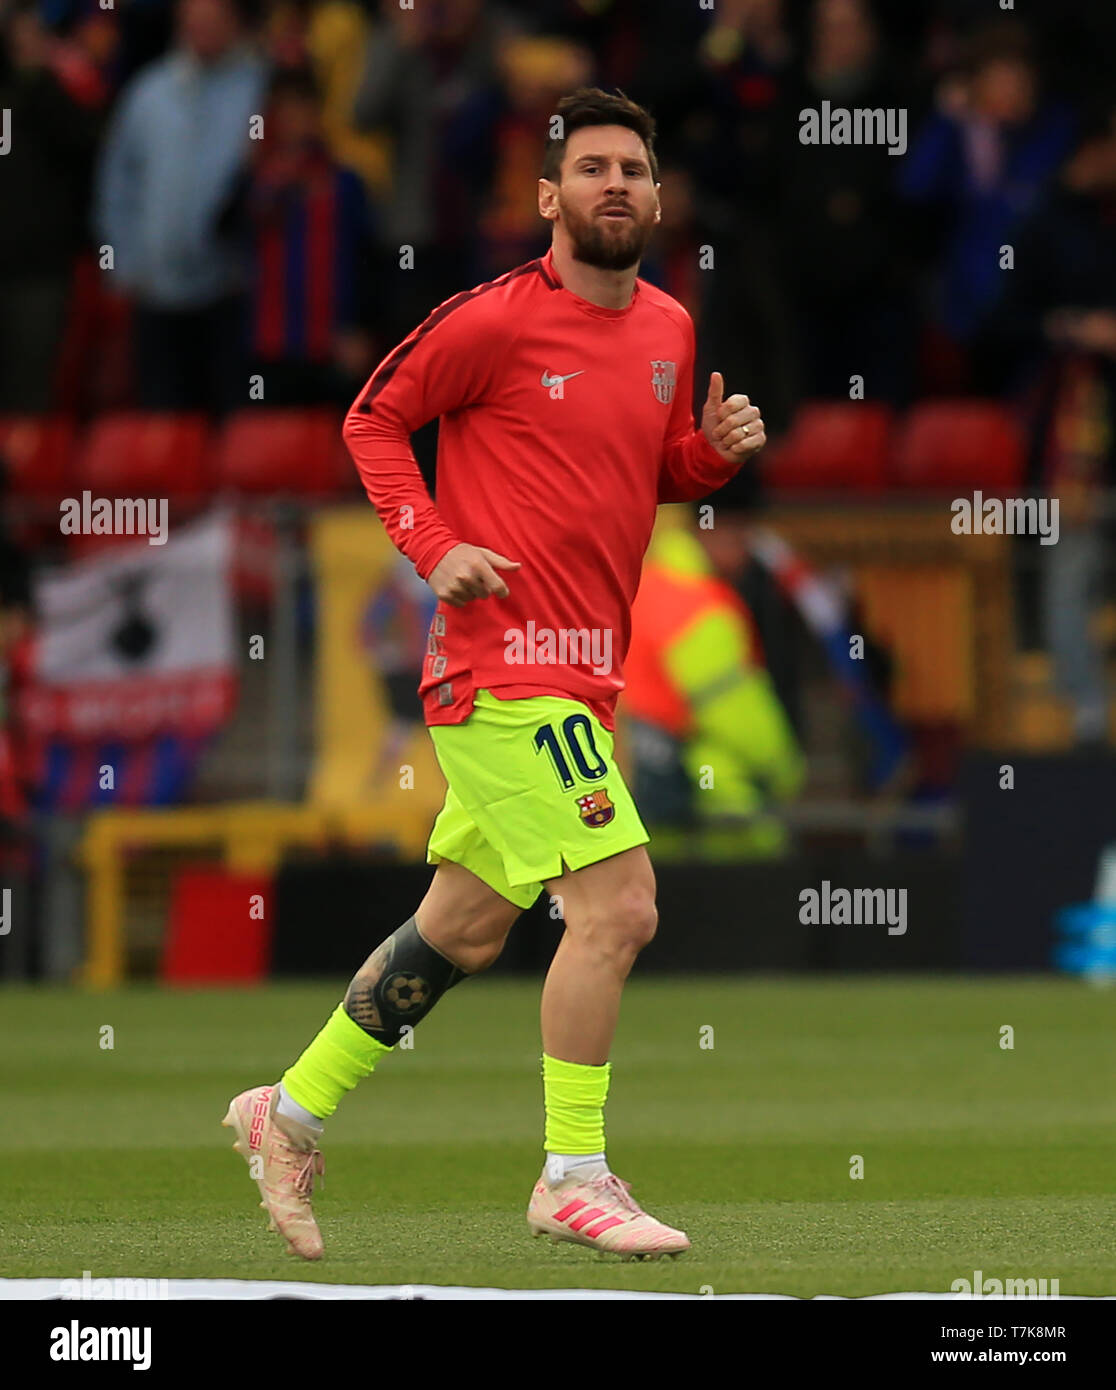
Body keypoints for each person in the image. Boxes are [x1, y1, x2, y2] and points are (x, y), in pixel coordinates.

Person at [223, 87, 768, 1261]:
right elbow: (373, 420)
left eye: (633, 168)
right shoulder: (493, 321)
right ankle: (572, 1173)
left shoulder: (671, 329)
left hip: (586, 677)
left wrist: (704, 462)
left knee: (464, 930)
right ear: (547, 198)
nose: (614, 184)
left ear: (659, 196)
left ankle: (290, 1108)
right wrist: (433, 546)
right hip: (501, 671)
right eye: (591, 169)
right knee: (619, 905)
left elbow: (637, 471)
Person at [94, 0, 267, 412]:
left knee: (234, 424)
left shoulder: (262, 89)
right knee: (163, 426)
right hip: (156, 295)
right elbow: (117, 183)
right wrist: (124, 265)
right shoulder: (149, 91)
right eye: (192, 18)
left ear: (236, 22)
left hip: (234, 294)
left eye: (213, 18)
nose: (200, 28)